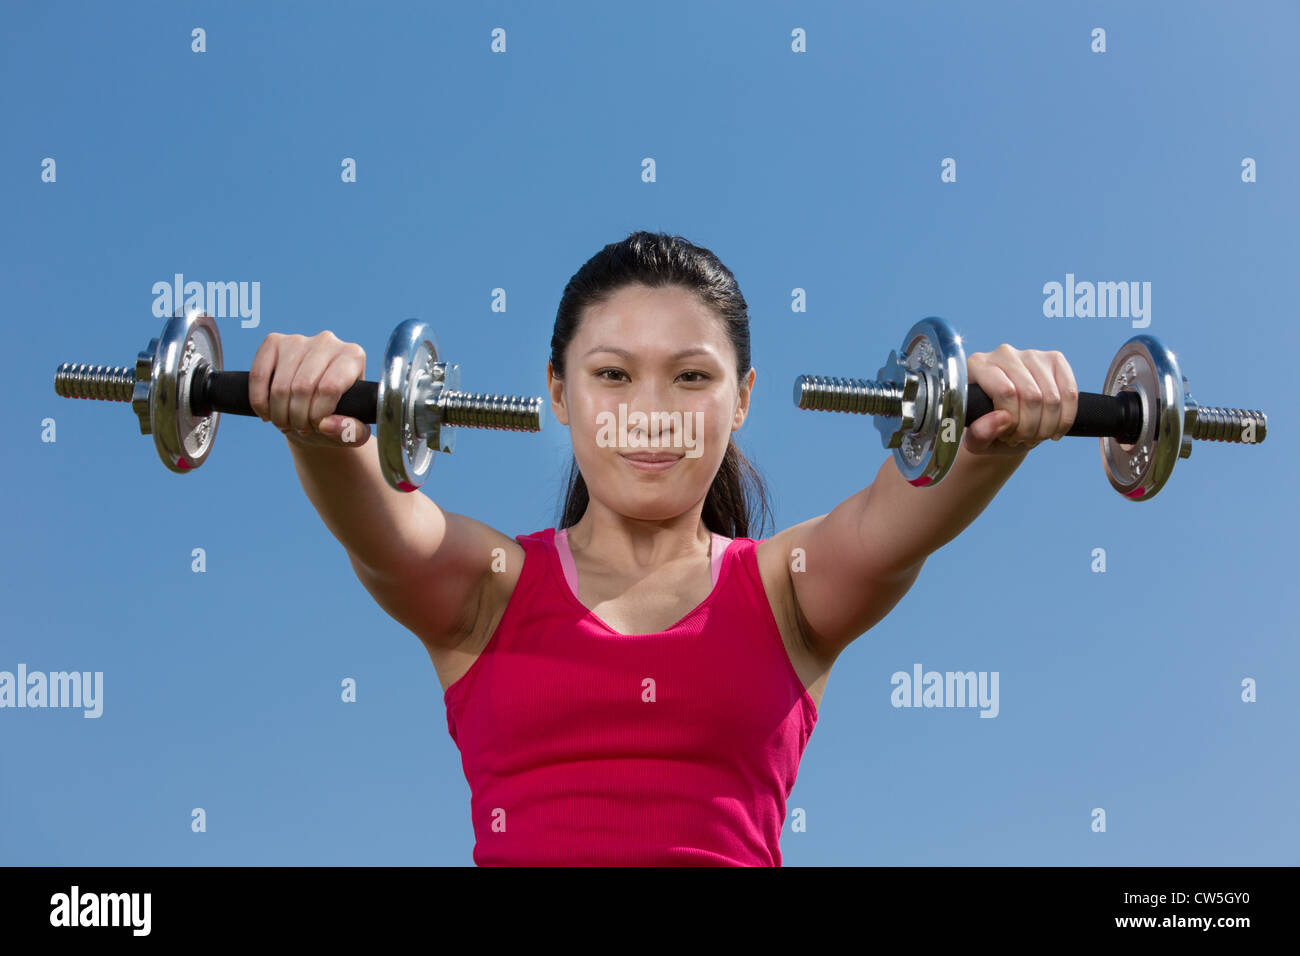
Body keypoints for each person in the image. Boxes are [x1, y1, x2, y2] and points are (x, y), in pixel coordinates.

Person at [246, 230, 1079, 865]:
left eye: (691, 376)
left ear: (742, 397)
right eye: (612, 375)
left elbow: (909, 508)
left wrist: (998, 430)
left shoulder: (787, 592)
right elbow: (387, 531)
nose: (651, 413)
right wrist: (321, 426)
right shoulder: (488, 590)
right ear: (558, 394)